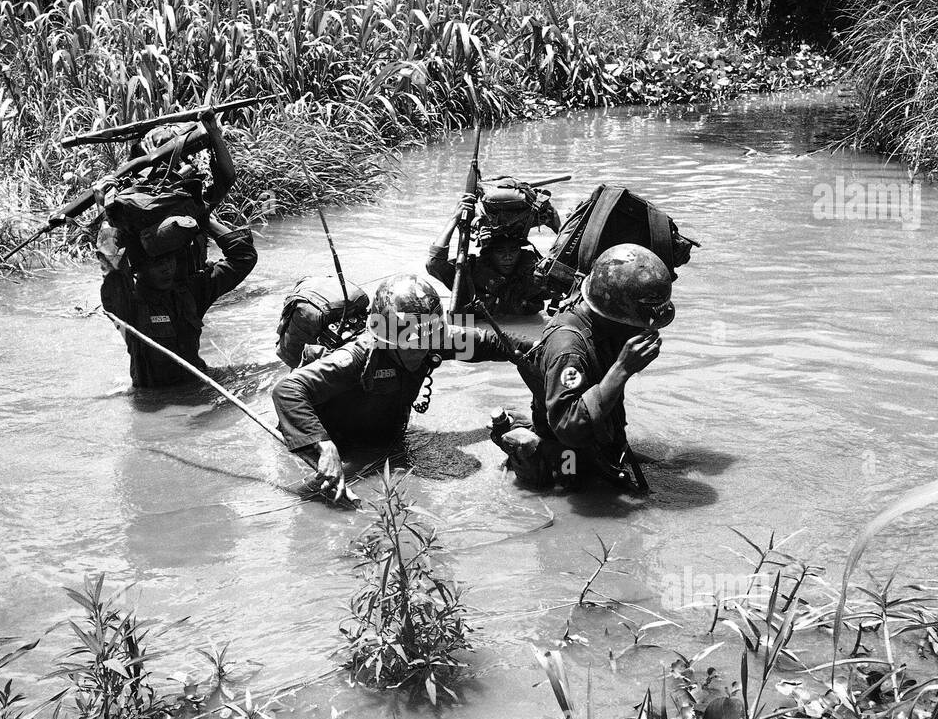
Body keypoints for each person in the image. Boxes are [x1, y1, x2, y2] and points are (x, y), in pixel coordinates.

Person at [272, 274, 531, 500]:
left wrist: (551, 351)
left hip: (386, 438)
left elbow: (495, 343)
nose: (422, 351)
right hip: (335, 444)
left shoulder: (433, 337)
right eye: (412, 344)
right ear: (388, 340)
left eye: (427, 341)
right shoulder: (358, 357)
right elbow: (288, 390)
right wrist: (324, 447)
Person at [490, 243, 674, 493]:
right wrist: (622, 368)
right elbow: (570, 428)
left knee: (671, 467)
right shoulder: (569, 350)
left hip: (597, 448)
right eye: (637, 321)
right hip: (567, 463)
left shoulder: (602, 328)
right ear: (614, 313)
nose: (644, 328)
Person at [99, 112, 257, 388]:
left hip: (197, 382)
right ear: (138, 268)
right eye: (158, 263)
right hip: (152, 396)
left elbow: (243, 257)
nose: (166, 267)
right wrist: (106, 211)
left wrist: (203, 218)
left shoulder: (192, 292)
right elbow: (112, 267)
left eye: (168, 261)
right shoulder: (129, 303)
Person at [425, 181, 559, 315]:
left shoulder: (533, 274)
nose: (508, 257)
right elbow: (434, 263)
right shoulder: (470, 274)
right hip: (478, 334)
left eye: (513, 250)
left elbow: (569, 272)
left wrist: (558, 227)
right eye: (500, 252)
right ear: (488, 254)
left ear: (521, 251)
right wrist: (455, 218)